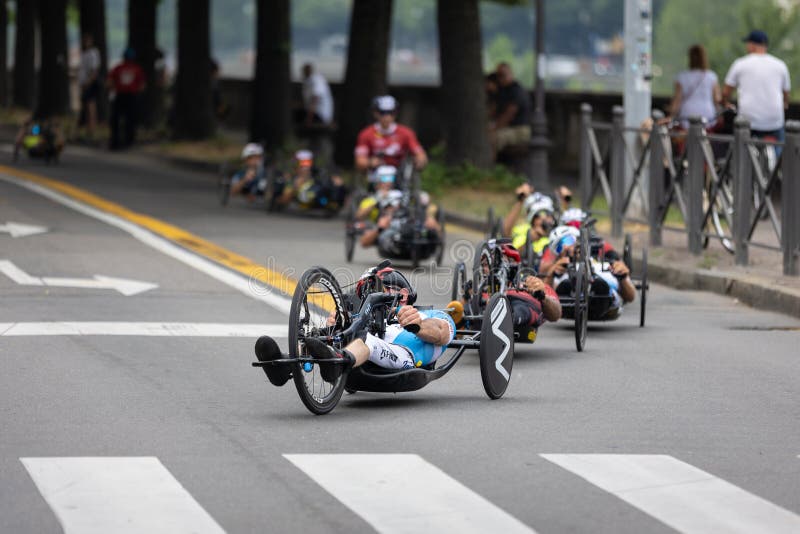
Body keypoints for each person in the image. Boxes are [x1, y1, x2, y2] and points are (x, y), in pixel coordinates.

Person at [255, 265, 456, 386]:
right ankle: (283, 365)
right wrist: (335, 326)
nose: (369, 297)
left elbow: (442, 333)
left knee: (367, 340)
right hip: (362, 351)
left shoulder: (428, 315)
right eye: (364, 293)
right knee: (325, 336)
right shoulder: (365, 317)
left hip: (405, 357)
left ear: (403, 294)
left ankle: (336, 363)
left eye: (376, 290)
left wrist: (419, 325)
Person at [540, 226, 636, 319]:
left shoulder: (605, 265)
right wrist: (551, 274)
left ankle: (595, 291)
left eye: (568, 241)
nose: (565, 247)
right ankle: (577, 293)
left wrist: (623, 277)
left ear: (578, 240)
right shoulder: (559, 272)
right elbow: (546, 295)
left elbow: (630, 297)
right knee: (564, 285)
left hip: (605, 297)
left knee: (601, 284)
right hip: (569, 303)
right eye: (559, 247)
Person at [722, 30, 791, 143]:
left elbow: (726, 93)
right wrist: (784, 104)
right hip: (774, 121)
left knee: (742, 149)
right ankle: (778, 154)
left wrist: (725, 103)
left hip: (748, 121)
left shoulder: (740, 64)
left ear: (752, 45)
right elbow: (786, 95)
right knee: (780, 146)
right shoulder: (780, 65)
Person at [357, 165, 440, 250]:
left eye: (391, 178)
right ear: (378, 181)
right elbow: (359, 215)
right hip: (386, 226)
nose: (388, 182)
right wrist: (377, 202)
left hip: (408, 222)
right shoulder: (371, 199)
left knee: (429, 223)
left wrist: (429, 216)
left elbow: (423, 204)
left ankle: (429, 236)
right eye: (384, 179)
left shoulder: (402, 194)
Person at [354, 95, 428, 172]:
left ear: (396, 113)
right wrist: (370, 162)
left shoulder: (406, 133)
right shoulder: (366, 134)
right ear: (375, 113)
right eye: (382, 113)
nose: (387, 116)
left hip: (400, 172)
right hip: (376, 172)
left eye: (391, 112)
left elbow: (420, 154)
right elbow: (359, 161)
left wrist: (420, 161)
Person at [668, 44, 721, 130]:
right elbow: (717, 99)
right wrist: (720, 115)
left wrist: (671, 116)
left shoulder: (682, 76)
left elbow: (677, 100)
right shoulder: (711, 76)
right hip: (708, 115)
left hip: (687, 114)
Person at [273, 150, 346, 210]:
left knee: (336, 184)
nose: (305, 168)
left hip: (318, 198)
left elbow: (326, 181)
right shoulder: (291, 178)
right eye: (302, 163)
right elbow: (286, 195)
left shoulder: (317, 174)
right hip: (300, 198)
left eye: (307, 163)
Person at [107, 47, 146, 150]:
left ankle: (115, 140)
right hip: (131, 96)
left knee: (116, 118)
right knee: (130, 119)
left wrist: (113, 88)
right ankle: (129, 140)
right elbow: (142, 85)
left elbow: (110, 82)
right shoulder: (137, 69)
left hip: (121, 95)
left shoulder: (118, 68)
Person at [489, 63, 532, 156]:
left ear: (510, 74)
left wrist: (494, 128)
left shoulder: (517, 91)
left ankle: (488, 163)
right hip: (507, 128)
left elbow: (508, 115)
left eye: (503, 75)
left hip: (520, 129)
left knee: (494, 138)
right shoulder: (501, 91)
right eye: (498, 76)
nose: (500, 78)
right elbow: (493, 111)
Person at [502, 183, 556, 255]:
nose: (544, 218)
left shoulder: (559, 231)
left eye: (548, 214)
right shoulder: (525, 232)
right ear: (532, 219)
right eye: (539, 215)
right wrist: (530, 240)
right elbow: (506, 232)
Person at [77, 33, 102, 140]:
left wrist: (88, 82)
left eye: (87, 40)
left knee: (91, 106)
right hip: (84, 83)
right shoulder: (84, 54)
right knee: (86, 107)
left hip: (89, 83)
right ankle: (88, 129)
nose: (85, 42)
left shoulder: (93, 53)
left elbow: (94, 70)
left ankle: (92, 130)